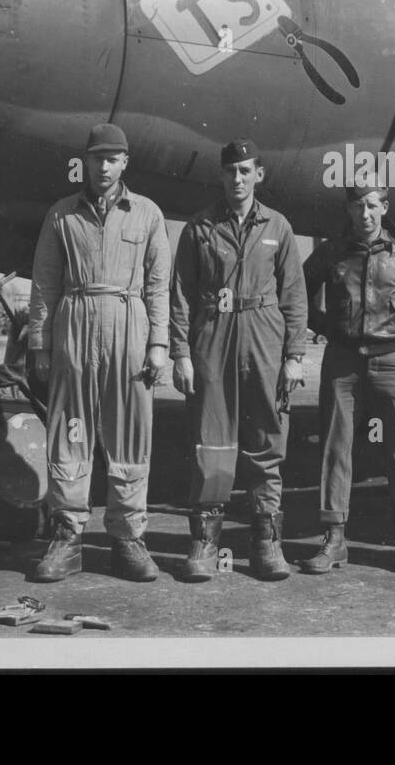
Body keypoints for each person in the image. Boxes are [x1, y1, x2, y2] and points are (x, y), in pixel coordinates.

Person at [27, 123, 171, 583]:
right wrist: (40, 343)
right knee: (71, 433)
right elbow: (45, 283)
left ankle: (128, 540)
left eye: (113, 158)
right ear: (85, 162)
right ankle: (68, 538)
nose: (104, 166)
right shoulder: (62, 215)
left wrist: (159, 343)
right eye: (97, 158)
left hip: (129, 329)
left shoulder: (147, 214)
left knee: (129, 435)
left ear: (125, 162)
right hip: (75, 328)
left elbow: (158, 286)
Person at [170, 138, 308, 582]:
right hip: (214, 335)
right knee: (212, 439)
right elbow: (181, 296)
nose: (238, 178)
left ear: (259, 175)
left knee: (267, 438)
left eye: (246, 171)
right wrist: (181, 354)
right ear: (222, 175)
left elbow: (294, 295)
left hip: (264, 335)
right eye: (231, 171)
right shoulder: (199, 227)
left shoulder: (279, 227)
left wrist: (294, 355)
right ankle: (206, 541)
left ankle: (267, 541)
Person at [300, 182, 395, 577]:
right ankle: (333, 539)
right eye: (357, 207)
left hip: (394, 358)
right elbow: (299, 289)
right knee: (335, 446)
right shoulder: (332, 251)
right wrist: (323, 324)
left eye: (372, 206)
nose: (365, 214)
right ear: (348, 210)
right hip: (343, 360)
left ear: (384, 208)